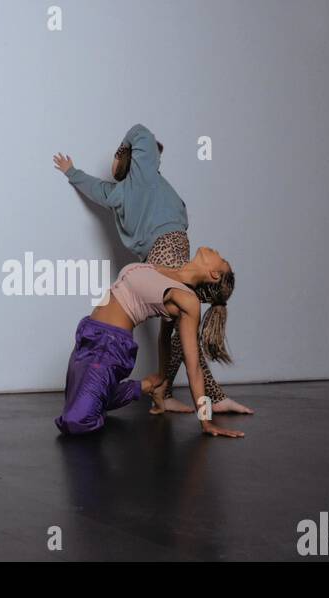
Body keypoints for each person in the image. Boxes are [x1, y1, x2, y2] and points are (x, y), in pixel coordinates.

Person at [54, 124, 253, 415]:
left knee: (174, 329)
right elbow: (140, 131)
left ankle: (169, 392)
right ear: (139, 160)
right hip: (168, 247)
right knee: (181, 330)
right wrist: (122, 149)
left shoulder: (118, 195)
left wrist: (72, 172)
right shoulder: (143, 178)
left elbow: (95, 188)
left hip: (154, 258)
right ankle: (202, 397)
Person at [55, 246, 244, 438]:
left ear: (214, 274)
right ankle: (148, 386)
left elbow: (193, 368)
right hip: (88, 334)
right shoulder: (165, 270)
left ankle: (139, 387)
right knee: (76, 402)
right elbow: (164, 338)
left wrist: (206, 421)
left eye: (221, 258)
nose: (217, 252)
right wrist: (161, 378)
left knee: (75, 421)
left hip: (109, 347)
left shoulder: (188, 300)